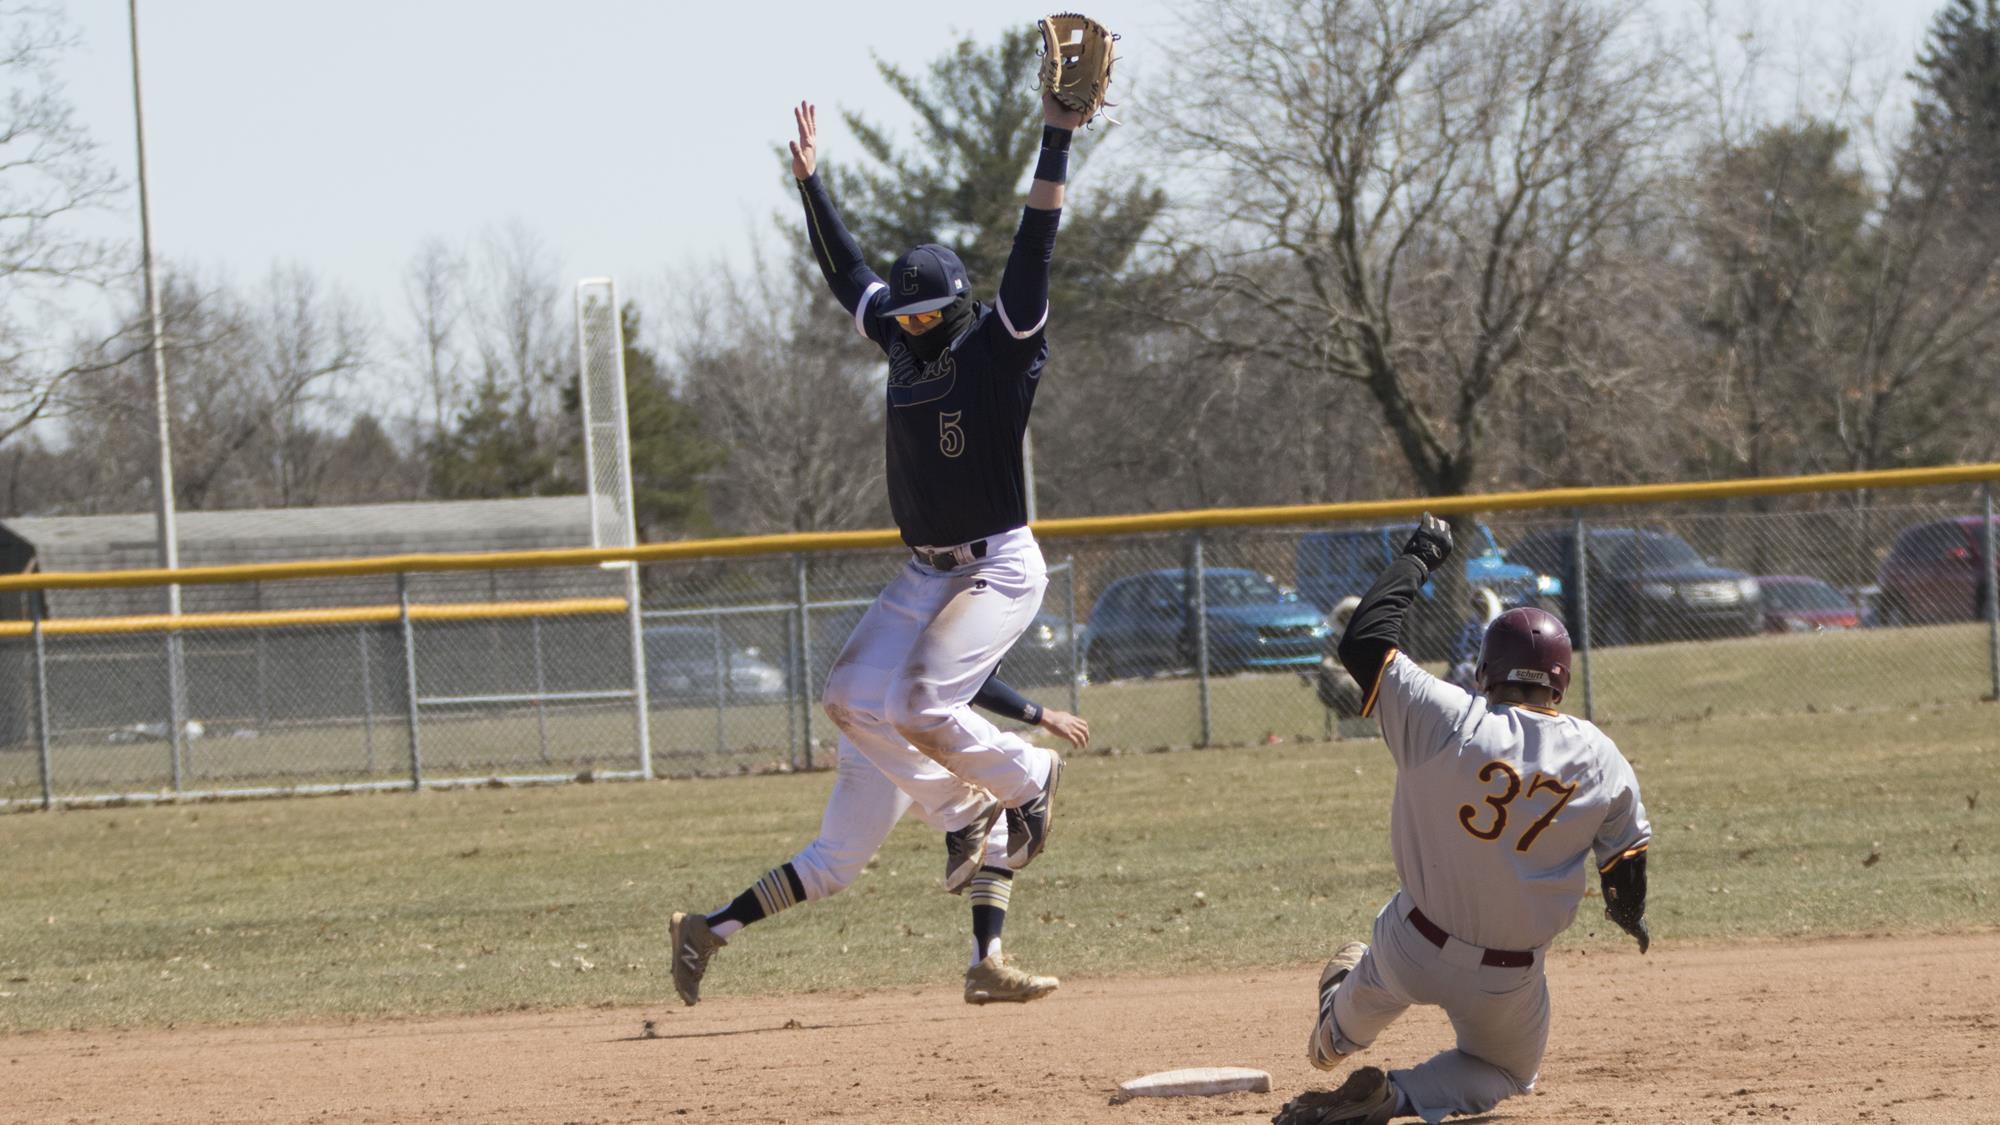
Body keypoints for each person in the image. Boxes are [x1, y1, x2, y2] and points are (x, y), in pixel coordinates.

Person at [785, 91, 1084, 895]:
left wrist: (1056, 137)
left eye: (926, 318)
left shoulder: (1000, 343)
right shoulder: (901, 339)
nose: (911, 329)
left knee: (917, 703)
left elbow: (1035, 243)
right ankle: (962, 812)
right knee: (850, 696)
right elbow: (849, 274)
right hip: (926, 570)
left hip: (997, 565)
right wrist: (812, 185)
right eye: (905, 319)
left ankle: (1029, 778)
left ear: (955, 307)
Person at [1275, 514, 1652, 1125]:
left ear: (1484, 672)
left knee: (1341, 1030)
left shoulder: (1446, 715)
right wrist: (1630, 919)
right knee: (1506, 1071)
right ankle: (1397, 1097)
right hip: (1509, 977)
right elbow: (1624, 867)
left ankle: (1333, 1034)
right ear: (1562, 683)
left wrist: (1420, 556)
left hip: (1409, 944)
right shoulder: (1600, 756)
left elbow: (1364, 639)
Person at [669, 673, 1088, 1007]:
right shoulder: (974, 586)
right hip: (891, 734)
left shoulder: (951, 586)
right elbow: (972, 680)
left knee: (993, 833)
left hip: (892, 727)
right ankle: (706, 928)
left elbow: (965, 679)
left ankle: (986, 965)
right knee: (834, 865)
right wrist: (1040, 714)